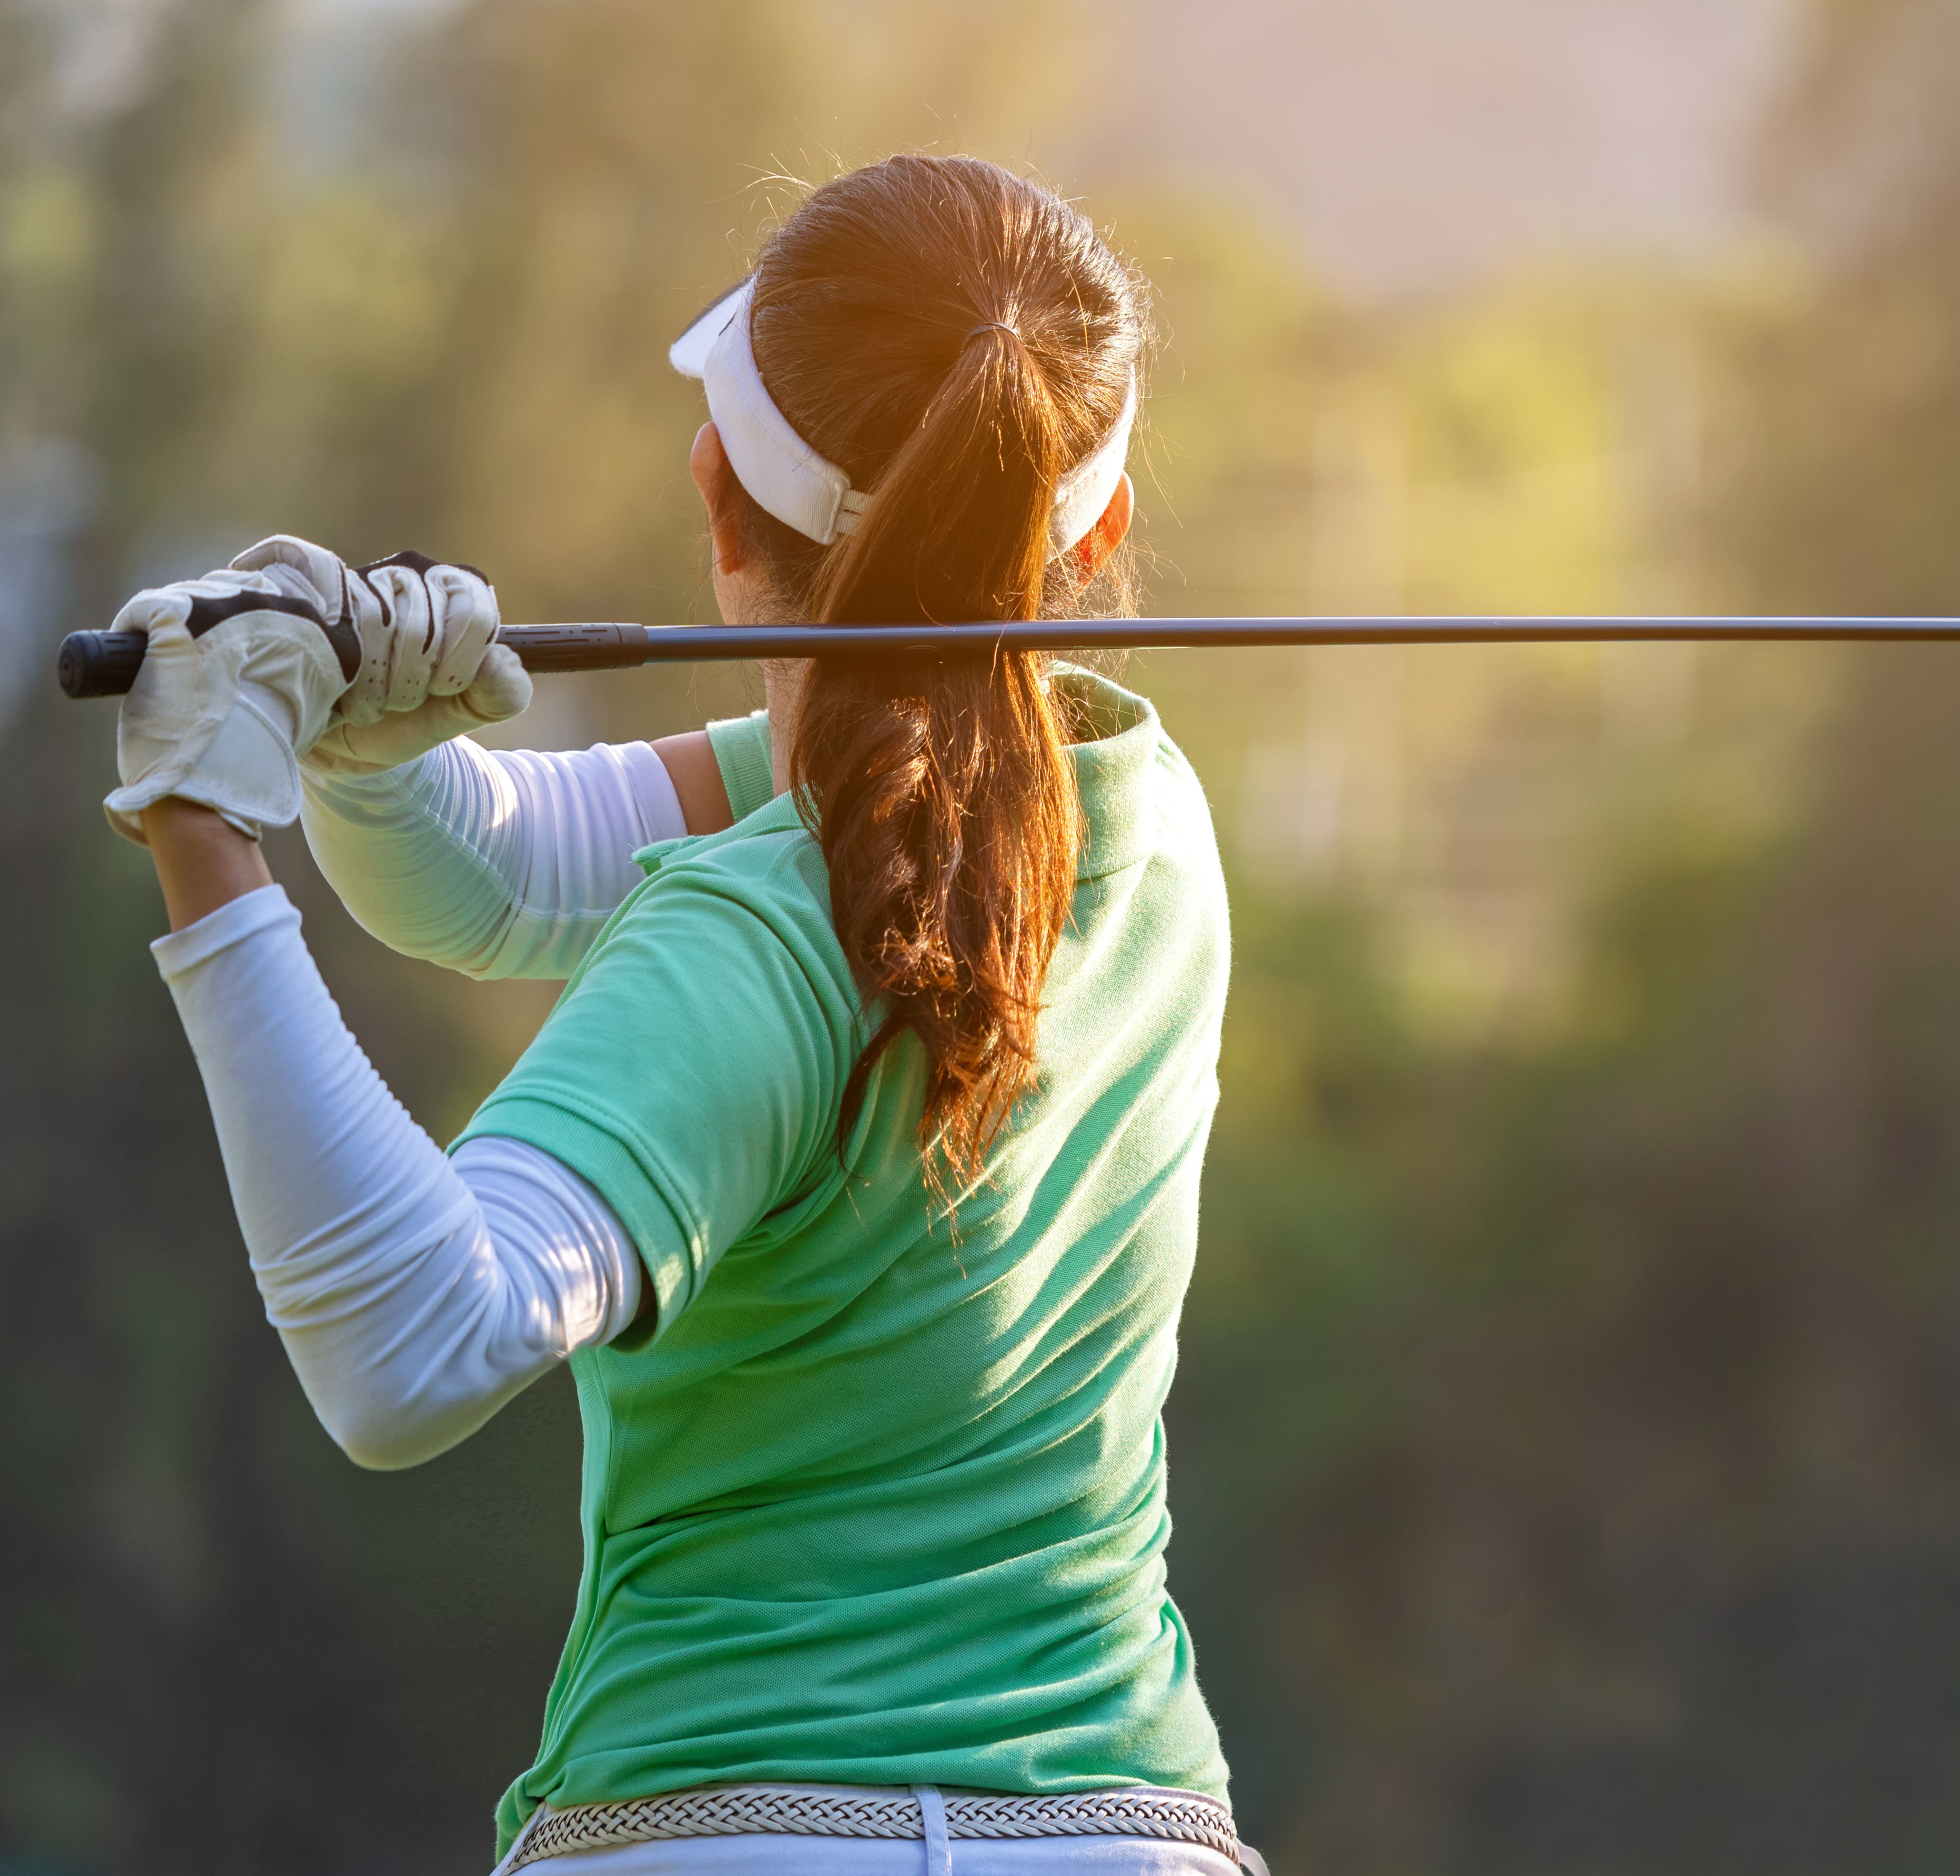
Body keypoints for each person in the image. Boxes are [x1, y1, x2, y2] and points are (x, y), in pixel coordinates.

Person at [103, 155, 1257, 1876]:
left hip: (725, 1824)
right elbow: (498, 878)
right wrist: (368, 752)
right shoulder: (1152, 824)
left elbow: (404, 1346)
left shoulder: (753, 929)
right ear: (1087, 533)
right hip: (1125, 1833)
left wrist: (203, 825)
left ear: (718, 497)